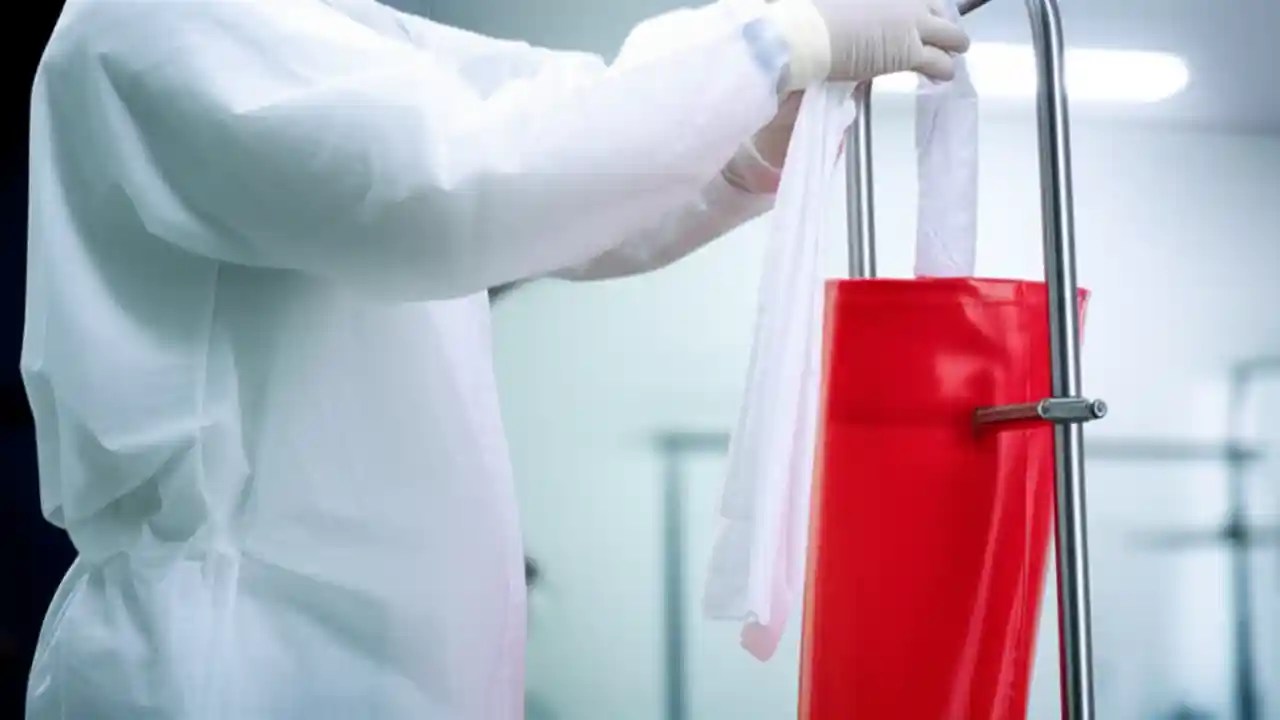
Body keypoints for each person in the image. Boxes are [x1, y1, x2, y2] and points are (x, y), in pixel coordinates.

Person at [20, 0, 967, 717]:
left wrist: (737, 146)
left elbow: (555, 167)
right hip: (240, 659)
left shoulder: (327, 32)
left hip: (377, 652)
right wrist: (766, 46)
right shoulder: (152, 20)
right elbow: (454, 184)